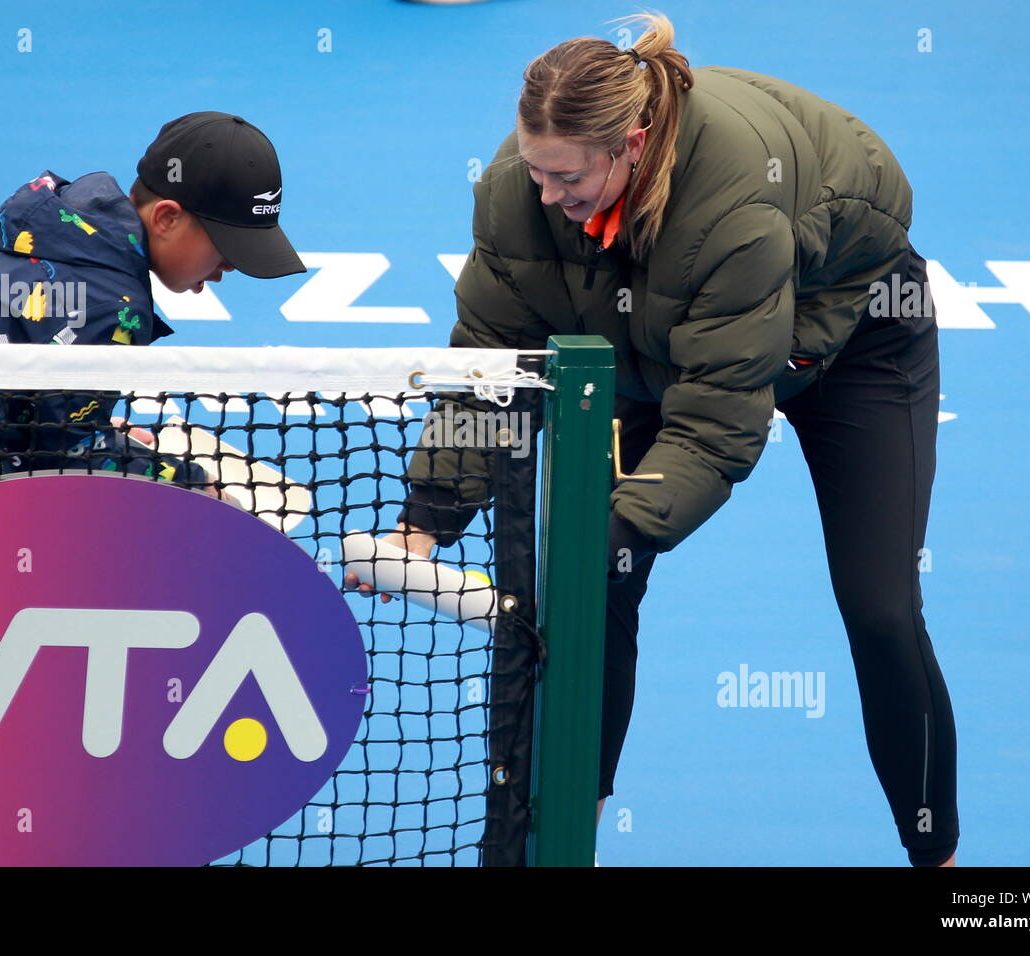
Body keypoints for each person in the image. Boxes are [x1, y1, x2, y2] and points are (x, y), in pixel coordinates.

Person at [349, 13, 959, 866]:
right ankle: (565, 840)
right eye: (535, 171)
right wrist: (425, 516)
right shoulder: (519, 193)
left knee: (883, 610)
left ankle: (946, 869)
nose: (548, 196)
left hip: (850, 332)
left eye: (568, 179)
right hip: (650, 340)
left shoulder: (735, 206)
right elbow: (491, 363)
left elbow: (714, 426)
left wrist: (617, 530)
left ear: (632, 145)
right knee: (587, 596)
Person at [0, 111, 306, 539]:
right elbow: (68, 461)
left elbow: (41, 412)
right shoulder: (111, 306)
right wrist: (193, 488)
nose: (230, 267)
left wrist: (90, 425)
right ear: (166, 218)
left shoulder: (53, 224)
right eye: (226, 247)